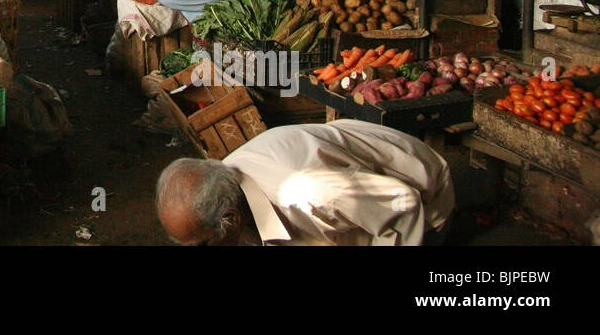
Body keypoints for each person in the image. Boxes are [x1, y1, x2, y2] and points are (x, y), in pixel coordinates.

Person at [155, 119, 455, 246]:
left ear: (231, 220)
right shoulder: (226, 176)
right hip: (355, 181)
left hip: (419, 194)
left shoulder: (311, 191)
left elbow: (404, 204)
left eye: (204, 244)